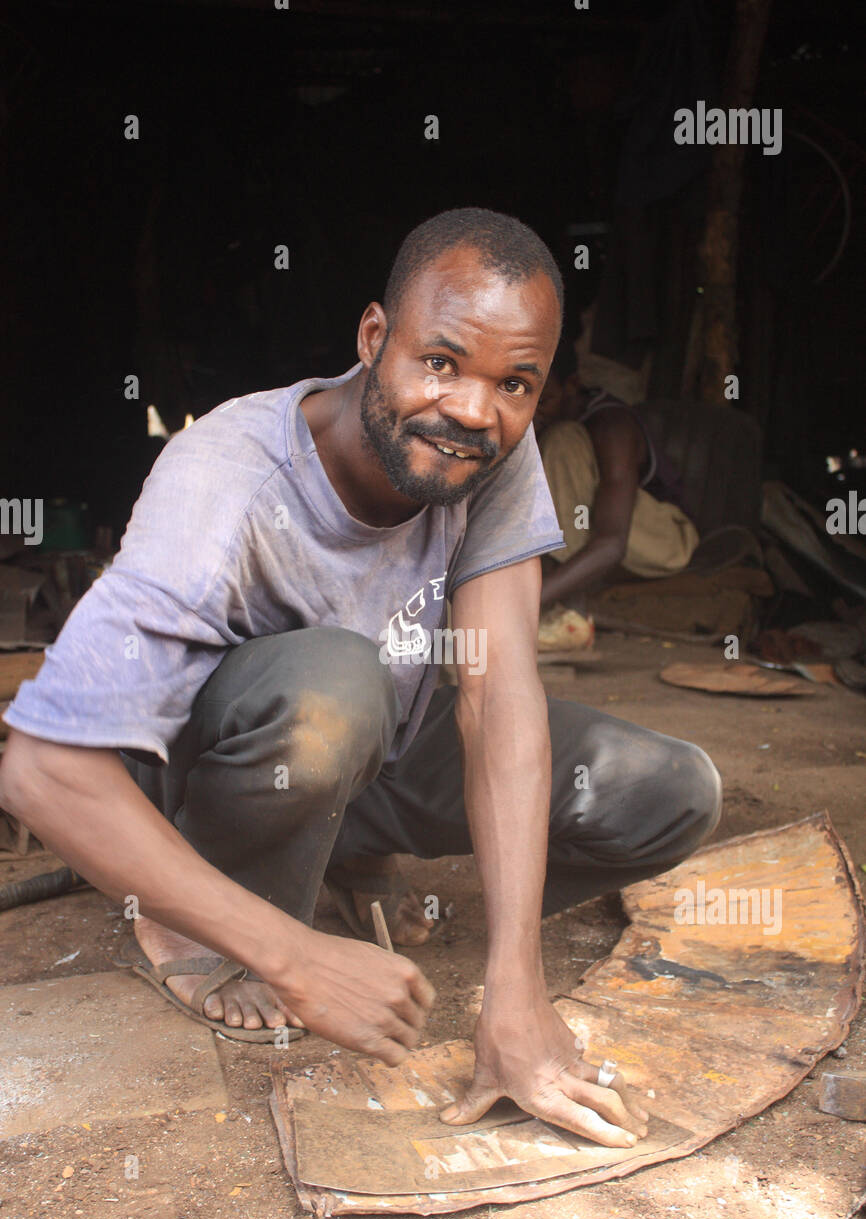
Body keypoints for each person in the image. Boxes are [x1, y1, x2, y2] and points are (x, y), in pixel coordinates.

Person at [0, 208, 721, 1145]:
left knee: (673, 792)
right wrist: (294, 957)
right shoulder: (227, 476)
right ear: (374, 338)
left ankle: (337, 850)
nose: (472, 408)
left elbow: (498, 697)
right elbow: (42, 769)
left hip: (373, 748)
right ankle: (205, 920)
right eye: (440, 362)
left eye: (516, 383)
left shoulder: (489, 449)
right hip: (231, 757)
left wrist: (515, 986)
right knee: (339, 685)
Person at [535, 342, 700, 612]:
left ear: (572, 386)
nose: (531, 413)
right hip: (600, 539)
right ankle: (567, 584)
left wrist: (526, 606)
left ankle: (568, 595)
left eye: (543, 401)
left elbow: (612, 544)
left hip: (662, 542)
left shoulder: (612, 427)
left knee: (562, 439)